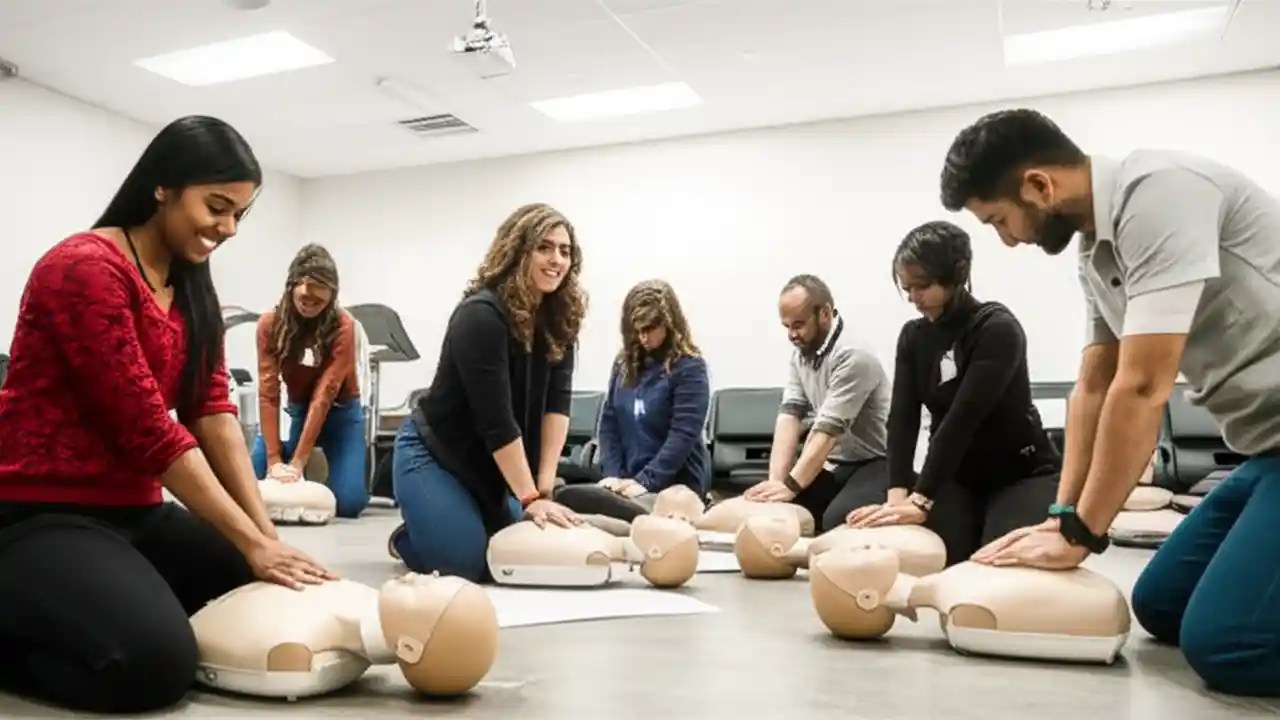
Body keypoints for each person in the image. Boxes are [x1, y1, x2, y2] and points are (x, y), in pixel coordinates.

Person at [941, 107, 1280, 697]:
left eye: (1000, 221)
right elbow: (1095, 384)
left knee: (1227, 645)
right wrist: (1062, 515)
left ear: (1039, 186)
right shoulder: (1096, 247)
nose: (1008, 241)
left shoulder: (1161, 193)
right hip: (1266, 452)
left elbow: (1144, 386)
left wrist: (1083, 534)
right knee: (1160, 605)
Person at [0, 116, 334, 714]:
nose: (228, 228)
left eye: (240, 213)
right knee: (154, 667)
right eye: (216, 206)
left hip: (134, 512)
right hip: (39, 513)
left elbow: (211, 410)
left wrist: (263, 540)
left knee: (255, 583)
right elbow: (150, 431)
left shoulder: (189, 282)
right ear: (162, 187)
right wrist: (250, 543)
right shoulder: (84, 268)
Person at [388, 203, 587, 582]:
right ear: (517, 251)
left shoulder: (559, 321)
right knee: (466, 565)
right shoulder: (480, 315)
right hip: (436, 455)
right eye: (544, 247)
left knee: (515, 551)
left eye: (565, 251)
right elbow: (496, 420)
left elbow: (556, 407)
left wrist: (544, 488)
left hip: (491, 465)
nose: (556, 260)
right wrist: (528, 498)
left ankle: (456, 521)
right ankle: (411, 537)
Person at [845, 220, 1061, 566]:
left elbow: (963, 419)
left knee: (998, 558)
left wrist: (922, 500)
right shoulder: (913, 337)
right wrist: (898, 497)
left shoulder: (997, 329)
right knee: (937, 553)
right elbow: (902, 418)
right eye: (907, 289)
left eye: (923, 287)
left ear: (958, 273)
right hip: (957, 478)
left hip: (1019, 475)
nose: (914, 299)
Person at [744, 274, 893, 532]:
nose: (792, 334)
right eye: (786, 326)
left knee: (836, 520)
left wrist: (791, 486)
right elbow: (790, 414)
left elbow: (827, 431)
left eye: (798, 324)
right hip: (837, 462)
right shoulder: (802, 351)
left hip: (877, 460)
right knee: (775, 508)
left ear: (824, 313)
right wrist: (776, 483)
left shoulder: (854, 355)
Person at [559, 280, 711, 521]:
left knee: (631, 519)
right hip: (628, 483)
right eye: (636, 330)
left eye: (650, 329)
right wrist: (613, 476)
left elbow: (682, 435)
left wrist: (646, 481)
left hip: (674, 487)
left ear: (670, 324)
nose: (643, 337)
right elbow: (609, 425)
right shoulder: (623, 366)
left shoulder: (690, 368)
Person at [251, 243, 368, 518]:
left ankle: (320, 470)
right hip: (300, 412)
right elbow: (268, 392)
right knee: (248, 481)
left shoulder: (343, 326)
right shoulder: (270, 324)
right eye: (304, 296)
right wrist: (274, 460)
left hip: (341, 414)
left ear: (332, 297)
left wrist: (298, 463)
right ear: (291, 286)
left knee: (350, 503)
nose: (310, 303)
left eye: (318, 300)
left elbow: (325, 393)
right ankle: (298, 465)